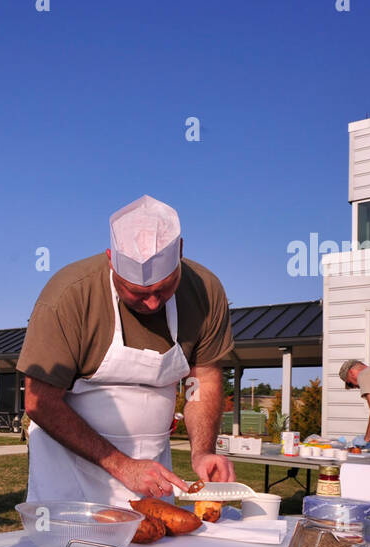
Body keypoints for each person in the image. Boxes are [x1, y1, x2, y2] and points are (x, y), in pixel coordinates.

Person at [19, 195, 236, 507]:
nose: (152, 303)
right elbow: (40, 401)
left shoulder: (205, 291)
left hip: (151, 480)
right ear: (111, 259)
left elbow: (201, 382)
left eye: (163, 289)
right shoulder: (69, 296)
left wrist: (202, 451)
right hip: (68, 481)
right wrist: (122, 466)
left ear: (181, 253)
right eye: (135, 292)